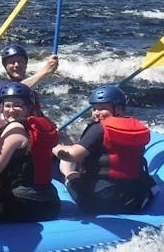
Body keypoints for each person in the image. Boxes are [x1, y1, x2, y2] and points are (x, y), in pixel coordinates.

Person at [57, 84, 154, 215]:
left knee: (67, 167)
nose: (96, 113)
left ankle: (68, 175)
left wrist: (53, 146)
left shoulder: (99, 128)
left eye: (102, 109)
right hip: (133, 198)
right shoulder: (135, 127)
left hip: (102, 200)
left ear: (118, 109)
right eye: (94, 108)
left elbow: (72, 155)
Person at [0, 82, 61, 223]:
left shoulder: (15, 129)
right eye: (7, 105)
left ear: (28, 107)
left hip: (21, 207)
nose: (11, 110)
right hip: (50, 204)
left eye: (18, 105)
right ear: (2, 108)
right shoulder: (38, 125)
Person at [0, 44, 59, 122]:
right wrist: (45, 71)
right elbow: (17, 90)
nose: (17, 65)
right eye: (12, 62)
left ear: (26, 64)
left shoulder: (32, 92)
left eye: (20, 61)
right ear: (5, 66)